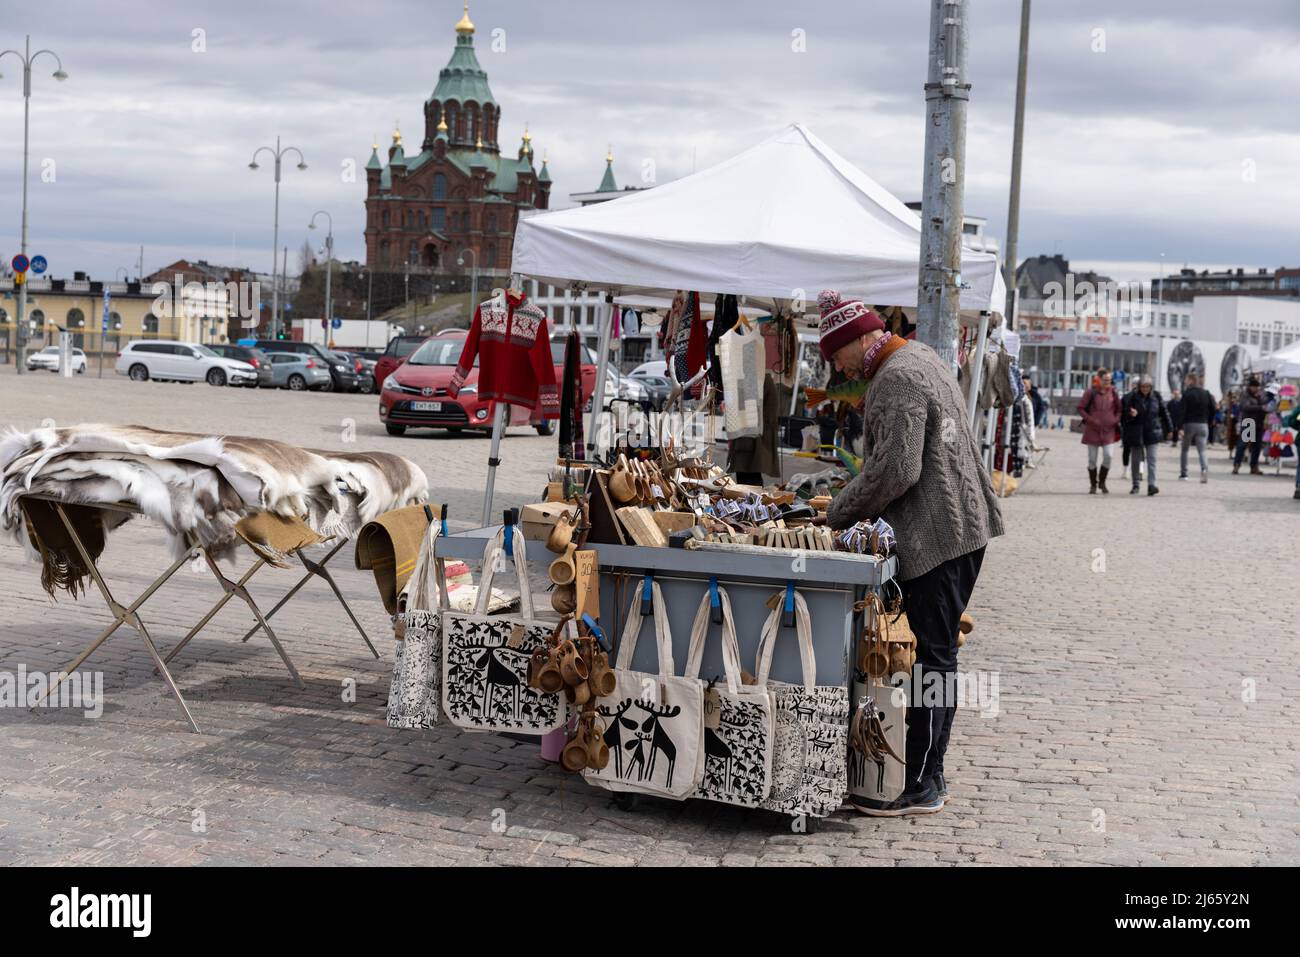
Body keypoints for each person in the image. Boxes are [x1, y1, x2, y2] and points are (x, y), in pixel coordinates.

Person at [818, 289, 1003, 816]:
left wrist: (839, 510)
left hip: (940, 534)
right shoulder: (921, 357)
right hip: (962, 526)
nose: (836, 366)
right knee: (937, 655)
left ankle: (921, 782)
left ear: (857, 339)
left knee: (931, 658)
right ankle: (927, 775)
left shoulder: (896, 377)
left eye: (836, 354)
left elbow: (897, 469)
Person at [1122, 374, 1173, 495]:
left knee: (1152, 459)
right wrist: (1130, 414)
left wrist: (1170, 428)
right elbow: (1123, 415)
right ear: (1139, 386)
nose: (1145, 389)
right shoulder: (1131, 397)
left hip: (1152, 431)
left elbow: (1164, 412)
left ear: (1151, 387)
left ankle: (1151, 485)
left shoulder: (1156, 396)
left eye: (1147, 387)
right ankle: (1136, 485)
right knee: (1136, 460)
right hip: (1136, 431)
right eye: (1143, 387)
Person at [1077, 367, 1121, 494]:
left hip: (1109, 430)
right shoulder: (1091, 392)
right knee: (1092, 459)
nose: (1108, 382)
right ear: (1099, 379)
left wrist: (1115, 419)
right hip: (1093, 430)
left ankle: (1102, 481)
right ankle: (1093, 485)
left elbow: (1119, 409)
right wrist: (1090, 419)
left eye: (1109, 380)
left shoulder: (1113, 392)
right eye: (1106, 380)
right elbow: (1081, 408)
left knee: (1109, 455)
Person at [1178, 373, 1216, 483]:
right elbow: (1213, 408)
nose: (1185, 382)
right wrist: (1209, 421)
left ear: (1190, 380)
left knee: (1185, 449)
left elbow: (1182, 411)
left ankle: (1184, 473)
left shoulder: (1187, 394)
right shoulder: (1206, 393)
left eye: (1186, 380)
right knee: (1202, 450)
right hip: (1203, 424)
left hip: (1189, 424)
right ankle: (1204, 470)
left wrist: (1180, 426)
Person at [1233, 377, 1268, 475]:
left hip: (1259, 423)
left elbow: (1265, 404)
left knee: (1256, 447)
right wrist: (1260, 407)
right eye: (1254, 387)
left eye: (1257, 387)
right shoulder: (1245, 395)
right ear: (1250, 387)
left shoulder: (1259, 396)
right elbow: (1245, 407)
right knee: (1242, 445)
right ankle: (1236, 465)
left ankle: (1254, 466)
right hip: (1249, 422)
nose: (1256, 389)